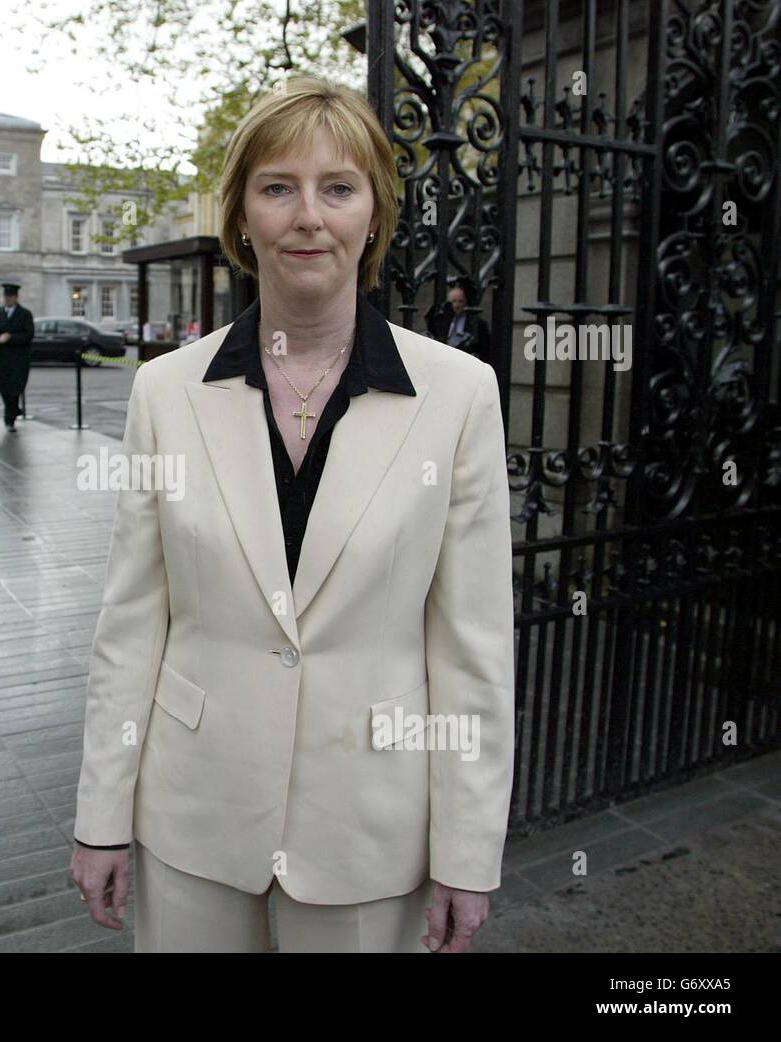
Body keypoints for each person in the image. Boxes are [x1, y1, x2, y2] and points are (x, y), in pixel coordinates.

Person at [69, 74, 514, 953]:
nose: (309, 215)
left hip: (370, 827)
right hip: (192, 813)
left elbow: (472, 646)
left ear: (374, 216)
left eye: (338, 188)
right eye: (278, 187)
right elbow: (128, 625)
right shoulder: (165, 392)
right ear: (242, 216)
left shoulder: (460, 394)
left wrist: (468, 850)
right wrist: (100, 814)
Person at [0, 283, 34, 431]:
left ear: (16, 298)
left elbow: (28, 335)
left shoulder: (25, 314)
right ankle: (14, 409)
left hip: (18, 358)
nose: (7, 299)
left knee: (14, 388)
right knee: (2, 388)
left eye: (10, 296)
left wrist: (10, 337)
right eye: (6, 296)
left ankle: (9, 421)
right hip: (1, 357)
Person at [427, 280, 492, 366]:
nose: (456, 305)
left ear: (466, 303)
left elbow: (485, 352)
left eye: (460, 301)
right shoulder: (438, 321)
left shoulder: (478, 324)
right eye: (453, 301)